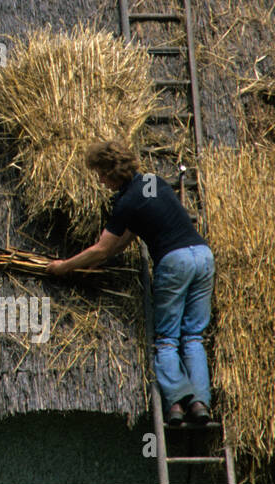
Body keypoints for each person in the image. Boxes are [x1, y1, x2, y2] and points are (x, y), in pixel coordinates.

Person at [48, 140, 216, 428]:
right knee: (193, 337)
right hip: (202, 256)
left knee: (166, 339)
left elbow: (103, 248)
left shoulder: (126, 202)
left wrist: (64, 266)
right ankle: (200, 403)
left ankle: (175, 403)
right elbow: (126, 239)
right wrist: (97, 258)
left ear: (112, 171)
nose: (100, 180)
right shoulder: (153, 182)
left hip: (174, 262)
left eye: (100, 173)